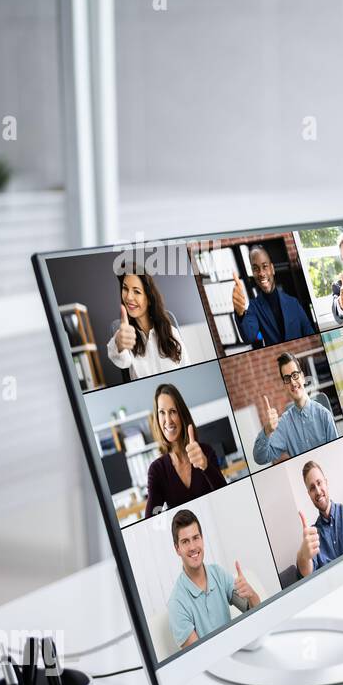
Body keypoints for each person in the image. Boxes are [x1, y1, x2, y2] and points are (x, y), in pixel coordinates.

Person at [166, 509, 261, 649]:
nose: (192, 547)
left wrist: (251, 594)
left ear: (202, 539)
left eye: (195, 538)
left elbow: (256, 614)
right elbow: (199, 656)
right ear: (177, 549)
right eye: (185, 542)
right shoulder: (176, 604)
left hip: (238, 651)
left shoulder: (218, 573)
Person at [144, 383, 227, 517]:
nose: (168, 420)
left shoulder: (205, 452)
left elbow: (225, 495)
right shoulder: (157, 470)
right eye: (162, 413)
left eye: (173, 411)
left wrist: (206, 466)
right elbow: (152, 516)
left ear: (182, 414)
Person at [252, 352, 339, 465]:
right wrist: (267, 430)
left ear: (302, 377)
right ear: (284, 385)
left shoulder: (324, 415)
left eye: (295, 375)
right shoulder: (283, 424)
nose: (292, 382)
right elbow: (260, 458)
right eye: (287, 378)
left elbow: (337, 454)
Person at [106, 271, 188, 379]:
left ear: (149, 298)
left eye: (136, 291)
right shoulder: (125, 334)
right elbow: (122, 361)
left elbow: (187, 367)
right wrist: (119, 344)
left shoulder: (171, 332)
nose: (128, 297)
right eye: (125, 289)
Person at [295, 460, 343, 578]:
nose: (318, 491)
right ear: (309, 494)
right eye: (312, 488)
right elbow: (306, 574)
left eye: (319, 483)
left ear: (326, 483)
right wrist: (303, 556)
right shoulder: (313, 535)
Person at [231, 245, 315, 346]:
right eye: (256, 269)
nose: (261, 273)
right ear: (253, 273)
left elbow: (310, 333)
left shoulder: (293, 303)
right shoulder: (254, 307)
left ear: (272, 269)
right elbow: (249, 337)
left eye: (265, 266)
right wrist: (240, 314)